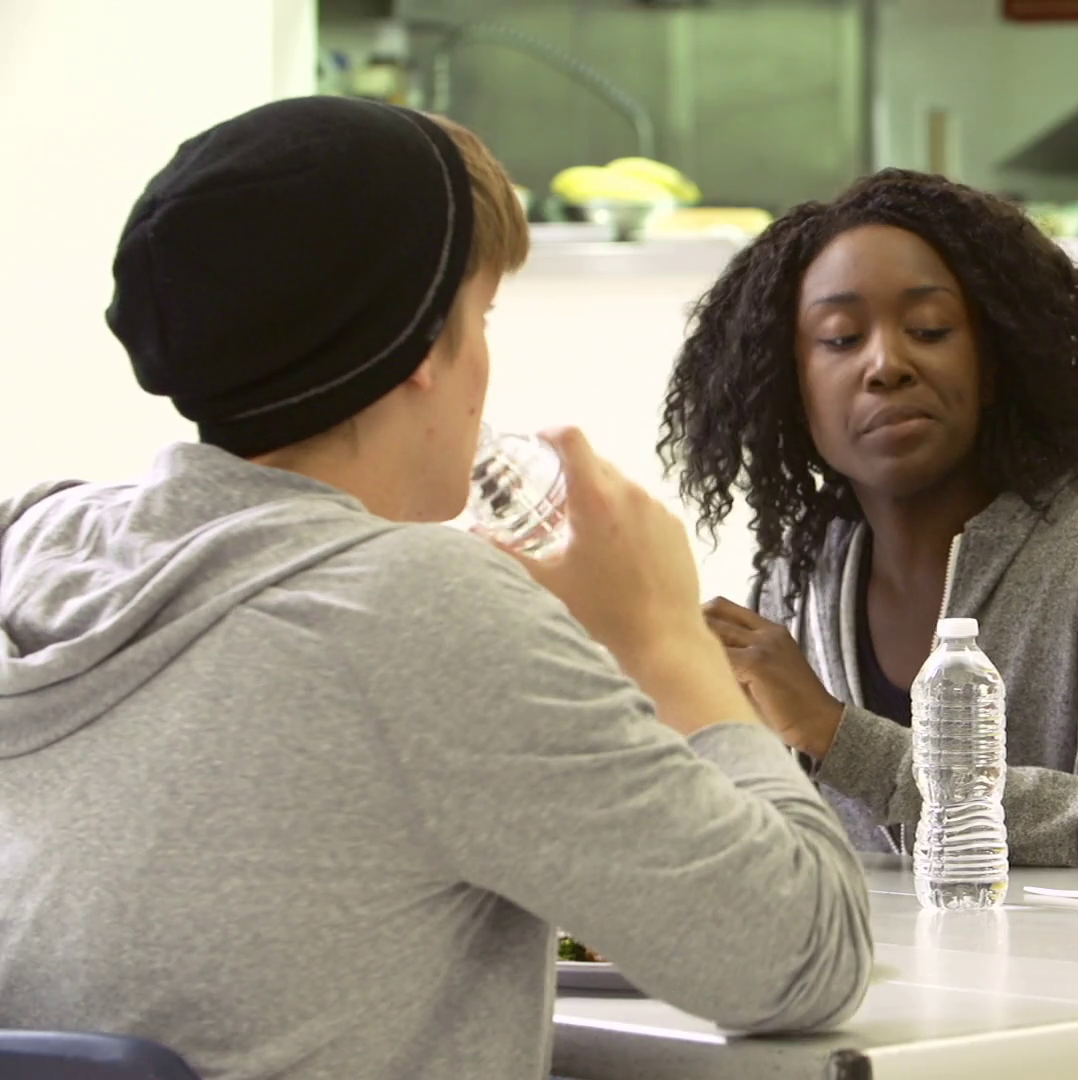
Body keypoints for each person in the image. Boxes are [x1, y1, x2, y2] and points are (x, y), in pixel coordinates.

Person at [0, 97, 872, 1079]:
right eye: (481, 314)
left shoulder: (31, 547)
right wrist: (664, 640)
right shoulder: (414, 609)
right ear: (419, 346)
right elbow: (806, 958)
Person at [660, 169, 1078, 867]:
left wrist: (842, 739)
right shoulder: (799, 576)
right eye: (841, 339)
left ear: (996, 359)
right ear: (790, 387)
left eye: (929, 329)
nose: (885, 364)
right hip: (871, 977)